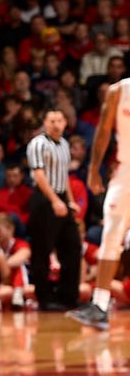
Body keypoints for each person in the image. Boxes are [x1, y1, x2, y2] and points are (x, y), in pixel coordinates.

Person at [72, 75, 129, 329]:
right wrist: (94, 168)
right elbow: (104, 130)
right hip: (126, 171)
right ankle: (100, 305)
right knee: (111, 234)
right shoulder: (119, 91)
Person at [24, 109, 83, 311]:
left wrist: (70, 201)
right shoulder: (38, 143)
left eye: (59, 120)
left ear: (65, 123)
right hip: (44, 199)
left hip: (61, 197)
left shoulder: (65, 144)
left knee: (73, 247)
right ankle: (44, 298)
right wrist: (55, 200)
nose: (56, 125)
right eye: (51, 121)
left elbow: (64, 176)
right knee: (42, 250)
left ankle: (69, 296)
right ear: (45, 123)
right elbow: (39, 175)